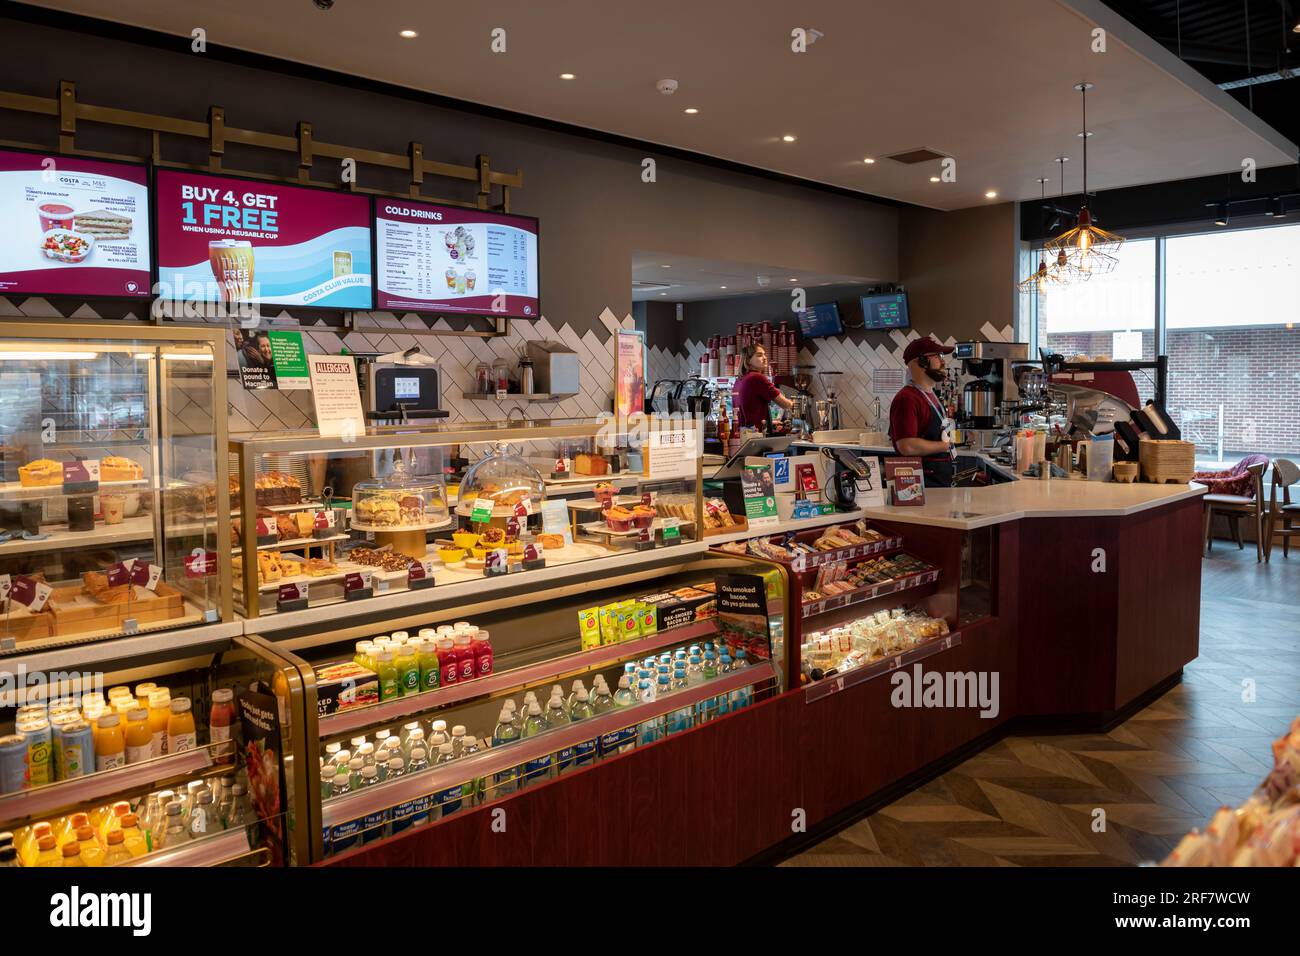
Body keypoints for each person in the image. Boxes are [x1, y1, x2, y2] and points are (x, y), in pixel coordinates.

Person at [889, 335, 957, 487]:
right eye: (938, 356)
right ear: (921, 361)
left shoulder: (930, 395)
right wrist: (945, 446)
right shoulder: (907, 398)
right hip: (919, 487)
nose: (943, 362)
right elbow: (906, 446)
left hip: (937, 481)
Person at [732, 344, 793, 433]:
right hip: (754, 434)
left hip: (741, 433)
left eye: (764, 355)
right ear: (748, 360)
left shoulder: (738, 380)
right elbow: (785, 404)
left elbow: (749, 411)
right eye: (759, 355)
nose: (765, 358)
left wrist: (770, 422)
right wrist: (795, 403)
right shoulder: (757, 378)